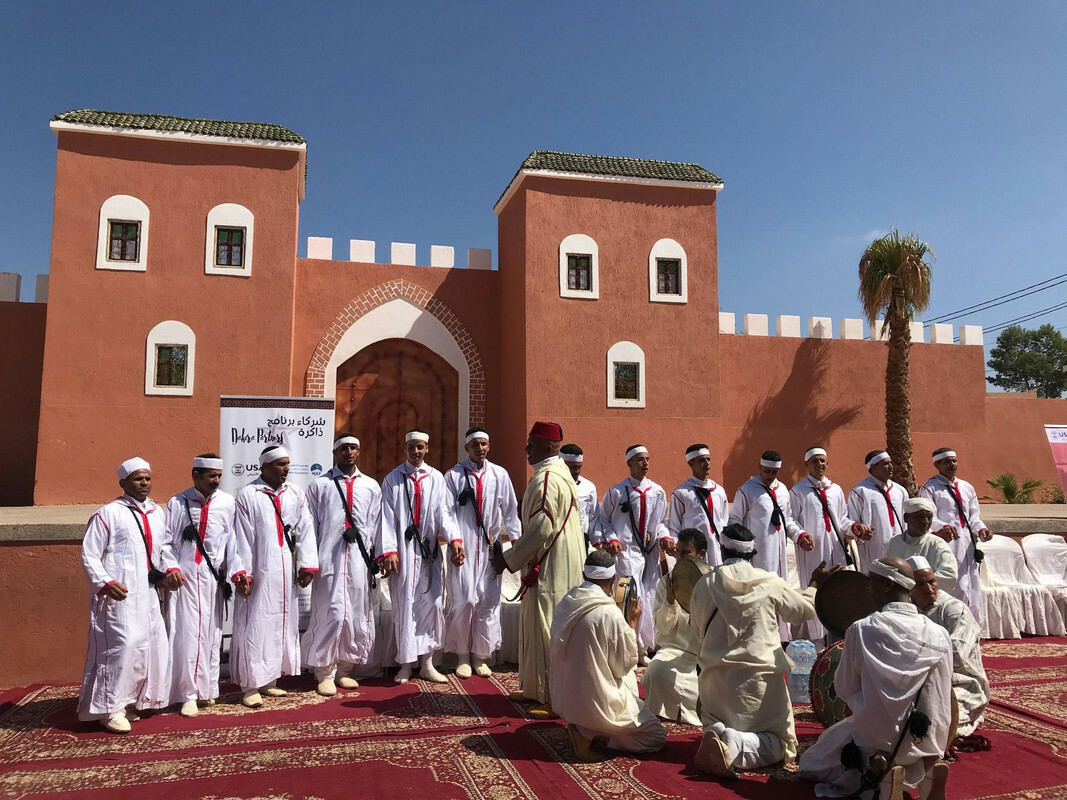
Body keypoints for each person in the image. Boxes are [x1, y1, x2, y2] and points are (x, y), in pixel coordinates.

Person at [798, 558, 953, 800]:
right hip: (928, 740)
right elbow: (943, 694)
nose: (868, 589)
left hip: (877, 739)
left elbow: (843, 688)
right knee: (913, 736)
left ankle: (883, 775)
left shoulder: (862, 629)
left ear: (888, 586)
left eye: (872, 582)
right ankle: (929, 768)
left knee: (811, 763)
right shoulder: (939, 634)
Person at [690, 523, 837, 777]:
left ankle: (716, 729)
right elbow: (803, 610)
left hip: (714, 683)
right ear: (753, 554)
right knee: (784, 745)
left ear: (723, 552)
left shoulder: (704, 584)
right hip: (759, 688)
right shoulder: (770, 582)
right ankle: (736, 744)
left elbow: (696, 634)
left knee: (717, 716)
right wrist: (814, 584)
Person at [491, 421, 585, 719]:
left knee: (547, 629)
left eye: (531, 444)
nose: (526, 449)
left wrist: (509, 559)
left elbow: (542, 528)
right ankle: (534, 687)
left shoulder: (546, 479)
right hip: (559, 561)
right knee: (537, 624)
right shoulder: (562, 475)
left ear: (549, 447)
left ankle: (552, 696)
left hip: (550, 565)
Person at [79, 457, 171, 733]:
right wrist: (105, 582)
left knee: (147, 646)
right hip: (118, 595)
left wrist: (170, 570)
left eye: (148, 478)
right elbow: (90, 554)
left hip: (149, 594)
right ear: (123, 483)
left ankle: (129, 701)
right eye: (138, 479)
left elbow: (164, 548)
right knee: (120, 647)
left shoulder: (157, 513)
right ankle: (108, 709)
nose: (144, 483)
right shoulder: (108, 514)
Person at [551, 550, 668, 761]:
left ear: (585, 575)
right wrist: (631, 624)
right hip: (595, 700)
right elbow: (623, 665)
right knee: (655, 735)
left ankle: (585, 724)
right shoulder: (609, 613)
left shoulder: (566, 602)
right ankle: (587, 732)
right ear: (614, 579)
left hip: (564, 699)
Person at [302, 434, 392, 697]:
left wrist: (382, 554)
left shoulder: (371, 486)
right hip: (329, 559)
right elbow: (309, 527)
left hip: (358, 562)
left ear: (359, 451)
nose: (348, 452)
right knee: (330, 612)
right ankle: (324, 672)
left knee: (354, 612)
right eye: (343, 448)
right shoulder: (320, 486)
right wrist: (309, 562)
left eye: (353, 447)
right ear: (335, 453)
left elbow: (378, 524)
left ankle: (345, 669)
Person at [231, 445, 319, 708]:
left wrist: (306, 566)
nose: (286, 469)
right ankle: (250, 685)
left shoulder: (295, 493)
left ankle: (270, 679)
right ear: (264, 467)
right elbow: (242, 537)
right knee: (255, 625)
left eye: (288, 464)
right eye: (280, 464)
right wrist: (244, 573)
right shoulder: (248, 494)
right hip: (259, 571)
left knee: (280, 624)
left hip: (285, 572)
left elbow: (305, 530)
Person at [161, 453, 248, 717]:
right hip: (185, 578)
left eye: (219, 476)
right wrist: (171, 568)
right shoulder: (177, 503)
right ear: (195, 475)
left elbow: (233, 542)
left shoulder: (227, 503)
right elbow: (165, 542)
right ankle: (187, 693)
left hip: (213, 580)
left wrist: (237, 571)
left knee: (212, 633)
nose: (216, 481)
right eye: (211, 476)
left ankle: (207, 689)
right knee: (187, 634)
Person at [381, 429, 464, 684]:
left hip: (429, 553)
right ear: (405, 449)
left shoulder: (436, 478)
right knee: (405, 605)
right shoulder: (393, 479)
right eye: (411, 448)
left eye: (420, 447)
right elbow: (385, 518)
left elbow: (445, 513)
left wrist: (454, 539)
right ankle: (405, 664)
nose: (416, 452)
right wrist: (390, 551)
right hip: (404, 553)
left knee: (432, 605)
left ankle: (427, 663)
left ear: (427, 448)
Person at [443, 427, 521, 678]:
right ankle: (462, 655)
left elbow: (510, 510)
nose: (480, 449)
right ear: (467, 447)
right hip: (463, 547)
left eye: (484, 444)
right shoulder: (454, 476)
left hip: (490, 548)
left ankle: (481, 655)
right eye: (475, 444)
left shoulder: (499, 474)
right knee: (464, 599)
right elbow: (446, 511)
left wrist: (516, 542)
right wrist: (454, 539)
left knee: (487, 600)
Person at [595, 444, 676, 657]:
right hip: (627, 552)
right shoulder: (616, 492)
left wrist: (665, 537)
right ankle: (631, 646)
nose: (645, 463)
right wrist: (611, 538)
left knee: (651, 596)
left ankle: (649, 644)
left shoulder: (657, 492)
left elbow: (659, 522)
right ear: (629, 462)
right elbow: (603, 520)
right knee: (632, 596)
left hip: (648, 552)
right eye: (640, 459)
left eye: (648, 459)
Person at [789, 446, 869, 643]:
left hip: (836, 549)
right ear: (807, 464)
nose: (819, 464)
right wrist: (801, 535)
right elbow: (790, 519)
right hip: (812, 552)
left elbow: (842, 519)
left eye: (822, 460)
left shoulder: (836, 490)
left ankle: (841, 634)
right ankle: (816, 639)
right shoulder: (798, 491)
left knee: (840, 590)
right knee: (815, 588)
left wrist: (854, 528)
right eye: (815, 461)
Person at [909, 555, 991, 747]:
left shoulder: (955, 610)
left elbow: (956, 656)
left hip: (962, 683)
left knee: (933, 724)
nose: (929, 589)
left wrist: (914, 655)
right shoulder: (909, 609)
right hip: (919, 682)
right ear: (909, 589)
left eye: (932, 582)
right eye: (920, 585)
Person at [640, 528, 708, 726]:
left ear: (701, 554)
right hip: (674, 653)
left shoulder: (714, 581)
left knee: (720, 685)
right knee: (656, 671)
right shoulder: (666, 582)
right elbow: (663, 628)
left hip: (706, 657)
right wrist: (670, 600)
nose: (679, 556)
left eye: (685, 552)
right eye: (677, 551)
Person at [920, 448, 991, 625]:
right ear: (937, 465)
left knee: (972, 585)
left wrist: (981, 529)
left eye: (954, 461)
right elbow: (929, 516)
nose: (952, 465)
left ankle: (973, 626)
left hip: (967, 544)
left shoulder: (966, 487)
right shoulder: (930, 488)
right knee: (955, 583)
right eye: (947, 462)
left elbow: (973, 516)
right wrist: (942, 527)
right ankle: (951, 625)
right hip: (948, 543)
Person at [728, 450, 813, 595]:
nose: (770, 475)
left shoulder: (783, 490)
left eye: (774, 472)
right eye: (767, 471)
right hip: (758, 552)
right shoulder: (747, 490)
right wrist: (743, 547)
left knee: (779, 589)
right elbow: (735, 520)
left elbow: (787, 519)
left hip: (779, 551)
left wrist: (800, 535)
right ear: (759, 467)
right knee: (760, 589)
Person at [848, 450, 908, 573]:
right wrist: (860, 531)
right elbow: (851, 520)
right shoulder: (860, 491)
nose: (891, 466)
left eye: (891, 463)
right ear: (874, 467)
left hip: (900, 545)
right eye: (886, 464)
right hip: (873, 547)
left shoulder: (900, 491)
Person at [669, 443, 728, 566]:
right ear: (691, 464)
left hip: (718, 549)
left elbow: (725, 521)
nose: (707, 463)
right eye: (701, 460)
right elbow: (674, 526)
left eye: (708, 459)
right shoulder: (681, 493)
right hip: (694, 551)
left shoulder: (719, 491)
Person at [886, 497, 958, 593]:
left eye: (929, 518)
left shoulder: (937, 544)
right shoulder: (894, 543)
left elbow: (950, 576)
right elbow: (884, 570)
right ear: (906, 518)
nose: (925, 522)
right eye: (919, 517)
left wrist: (917, 584)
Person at [561, 443, 598, 549]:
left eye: (579, 467)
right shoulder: (552, 485)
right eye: (573, 467)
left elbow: (593, 516)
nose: (577, 471)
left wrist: (597, 542)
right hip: (559, 540)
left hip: (581, 541)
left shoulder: (589, 487)